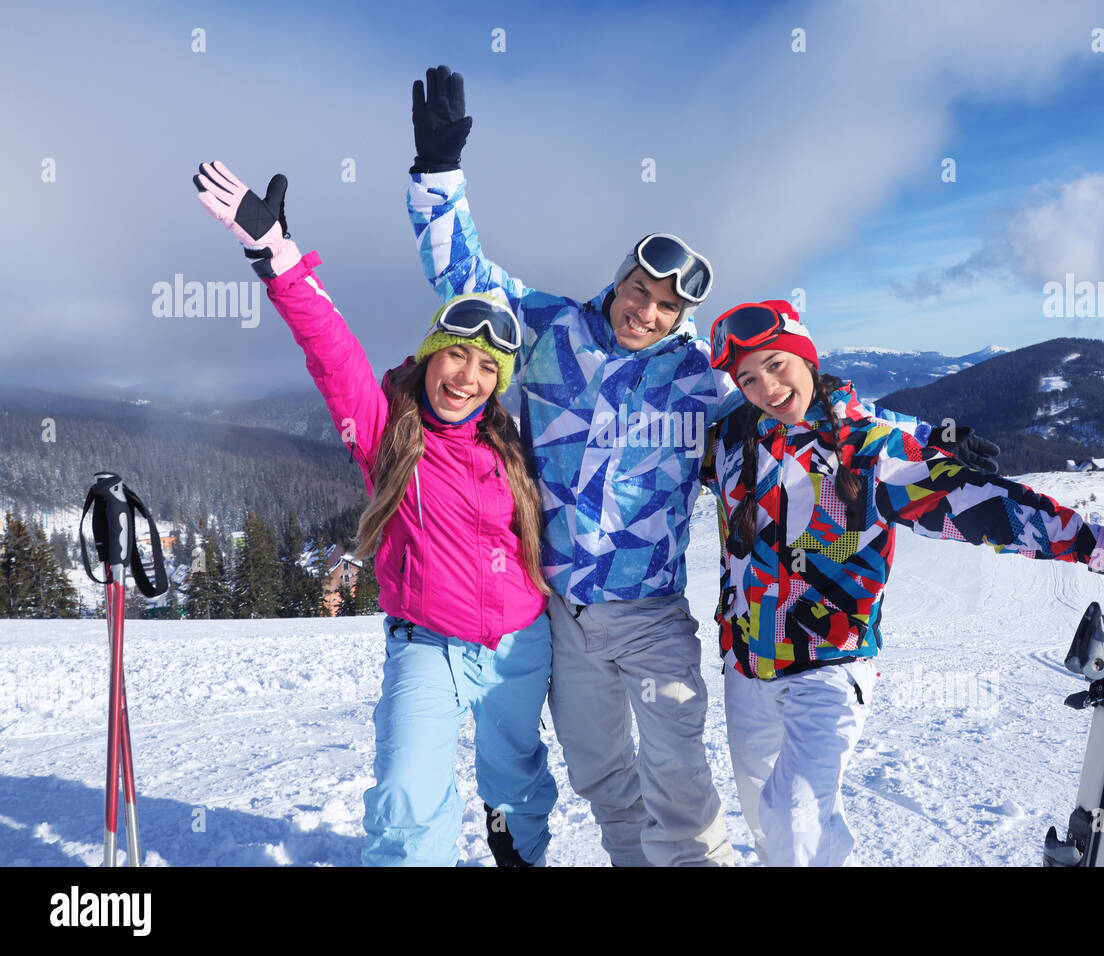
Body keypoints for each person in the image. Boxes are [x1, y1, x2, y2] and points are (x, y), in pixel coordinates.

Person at [401, 66, 1000, 866]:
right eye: (638, 290)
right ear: (619, 280)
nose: (645, 312)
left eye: (665, 306)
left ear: (683, 318)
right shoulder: (550, 330)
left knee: (677, 777)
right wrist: (439, 174)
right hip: (564, 611)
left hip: (649, 614)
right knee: (599, 770)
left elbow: (806, 414)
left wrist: (929, 441)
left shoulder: (702, 382)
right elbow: (463, 278)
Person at [700, 299, 1104, 867]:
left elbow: (979, 506)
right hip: (745, 669)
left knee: (795, 819)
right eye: (749, 379)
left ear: (807, 356)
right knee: (770, 823)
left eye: (777, 364)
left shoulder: (871, 450)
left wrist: (1100, 544)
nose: (768, 387)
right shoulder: (734, 443)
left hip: (828, 665)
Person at [193, 161, 558, 867]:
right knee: (405, 797)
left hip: (521, 648)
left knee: (517, 784)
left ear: (498, 383)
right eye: (454, 356)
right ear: (427, 358)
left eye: (486, 368)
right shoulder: (391, 429)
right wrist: (280, 258)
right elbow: (332, 354)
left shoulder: (511, 445)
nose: (467, 375)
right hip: (430, 647)